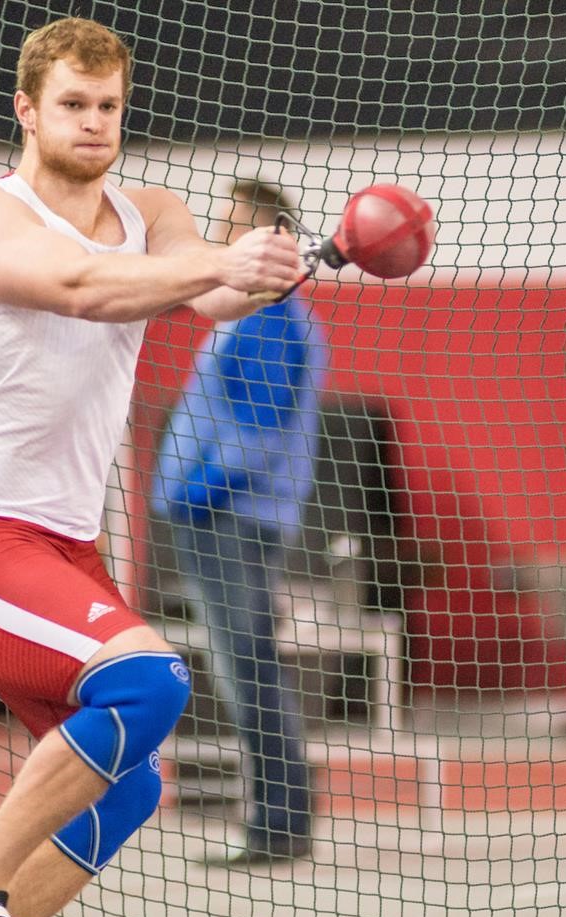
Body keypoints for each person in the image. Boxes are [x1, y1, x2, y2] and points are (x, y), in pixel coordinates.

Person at [0, 16, 303, 917]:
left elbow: (200, 293)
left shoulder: (152, 209)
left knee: (136, 778)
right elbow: (81, 287)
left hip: (63, 549)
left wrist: (263, 271)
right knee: (153, 681)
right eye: (73, 103)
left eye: (110, 105)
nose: (94, 123)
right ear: (27, 109)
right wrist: (222, 260)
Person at [151, 178, 329, 865]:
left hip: (230, 517)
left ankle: (278, 824)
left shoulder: (268, 315)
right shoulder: (254, 310)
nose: (224, 231)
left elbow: (256, 431)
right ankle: (279, 817)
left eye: (234, 220)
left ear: (270, 233)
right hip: (228, 515)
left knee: (247, 671)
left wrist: (195, 492)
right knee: (248, 669)